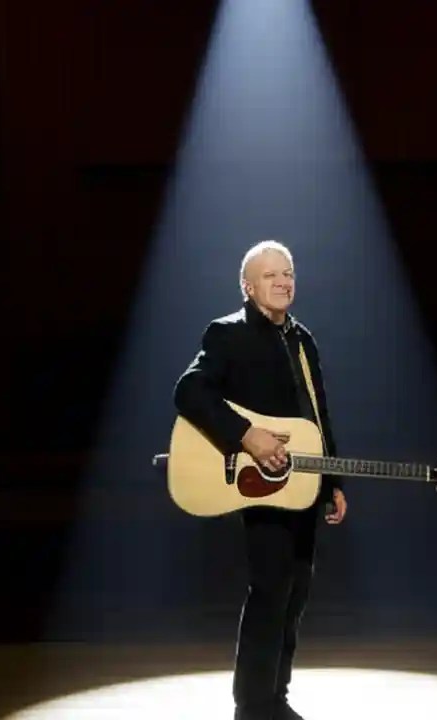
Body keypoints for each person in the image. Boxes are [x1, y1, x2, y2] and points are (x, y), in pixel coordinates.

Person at [173, 239, 348, 720]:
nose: (283, 282)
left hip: (304, 487)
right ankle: (252, 707)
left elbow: (318, 416)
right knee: (270, 591)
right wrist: (245, 434)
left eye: (288, 272)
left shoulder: (303, 339)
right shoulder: (227, 334)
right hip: (260, 485)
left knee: (295, 595)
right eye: (270, 275)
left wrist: (334, 481)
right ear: (248, 287)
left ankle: (277, 697)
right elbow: (189, 391)